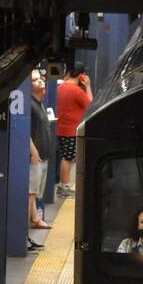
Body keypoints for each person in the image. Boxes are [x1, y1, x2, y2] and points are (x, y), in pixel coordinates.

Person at [55, 63, 92, 197]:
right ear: (81, 75)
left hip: (61, 128)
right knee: (68, 158)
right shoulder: (76, 91)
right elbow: (91, 105)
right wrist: (88, 86)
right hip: (71, 130)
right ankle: (64, 187)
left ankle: (63, 185)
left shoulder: (60, 87)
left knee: (65, 157)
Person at [28, 70, 54, 231]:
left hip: (43, 156)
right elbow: (26, 132)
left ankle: (35, 219)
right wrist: (34, 153)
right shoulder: (29, 105)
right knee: (31, 193)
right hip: (36, 157)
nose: (40, 81)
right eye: (35, 80)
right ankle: (33, 222)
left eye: (41, 79)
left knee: (35, 192)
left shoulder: (39, 103)